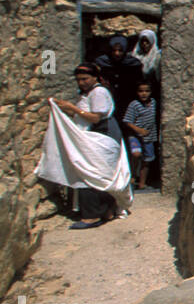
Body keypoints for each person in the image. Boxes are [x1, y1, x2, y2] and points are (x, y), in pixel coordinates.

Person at [46, 64, 130, 228]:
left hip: (101, 136)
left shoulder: (99, 92)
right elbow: (84, 116)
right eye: (78, 80)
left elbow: (95, 118)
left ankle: (91, 216)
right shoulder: (88, 94)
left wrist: (71, 108)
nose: (81, 82)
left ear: (95, 78)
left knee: (89, 173)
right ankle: (106, 210)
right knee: (96, 173)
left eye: (85, 79)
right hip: (94, 137)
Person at [94, 35, 142, 123]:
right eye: (114, 50)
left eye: (120, 50)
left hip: (127, 99)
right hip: (108, 97)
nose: (117, 53)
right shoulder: (102, 62)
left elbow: (138, 82)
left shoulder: (133, 64)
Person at [122, 79, 159, 190]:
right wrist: (138, 130)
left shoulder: (153, 103)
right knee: (136, 154)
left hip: (149, 136)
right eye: (141, 91)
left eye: (147, 91)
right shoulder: (134, 105)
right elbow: (127, 121)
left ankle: (142, 183)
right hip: (135, 136)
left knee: (147, 160)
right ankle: (133, 175)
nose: (144, 94)